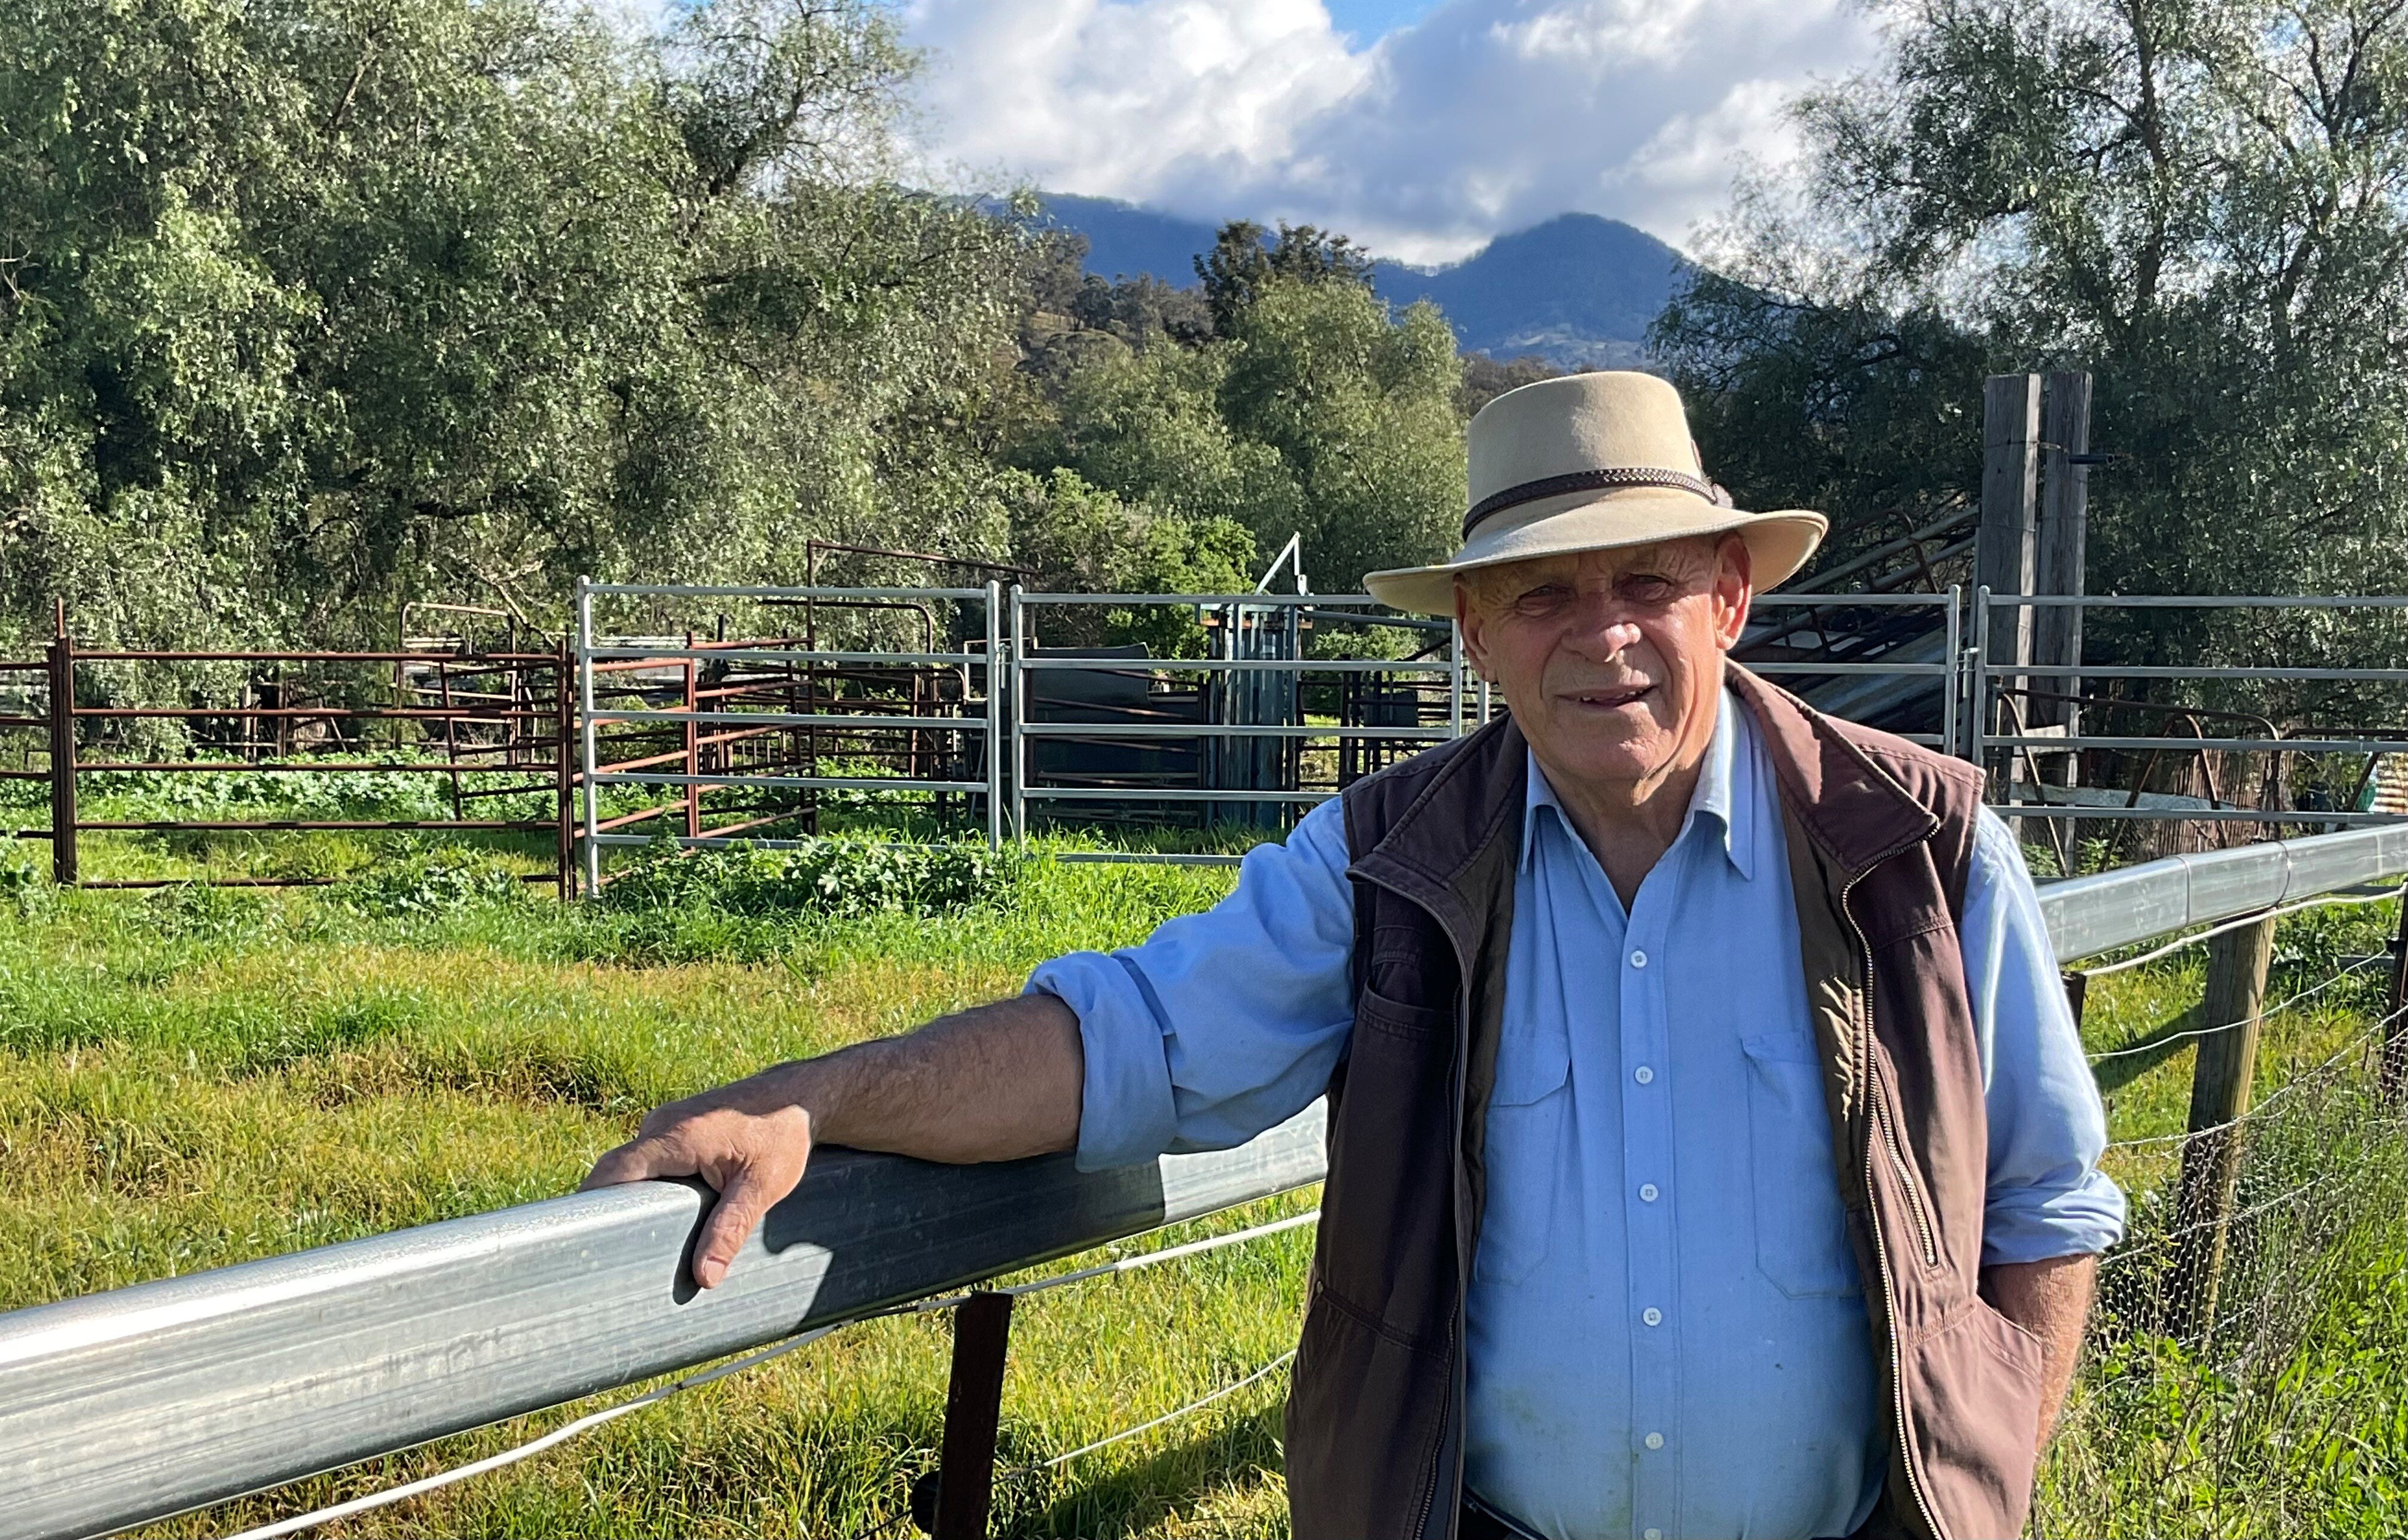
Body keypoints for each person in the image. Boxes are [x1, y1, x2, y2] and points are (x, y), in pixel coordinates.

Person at [584, 372, 2123, 1540]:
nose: (1602, 634)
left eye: (1647, 579)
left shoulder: (1915, 849)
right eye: (1543, 592)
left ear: (1728, 596)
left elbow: (2046, 1202)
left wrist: (1992, 1476)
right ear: (1472, 630)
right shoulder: (1386, 867)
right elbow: (1133, 1036)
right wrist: (813, 1099)